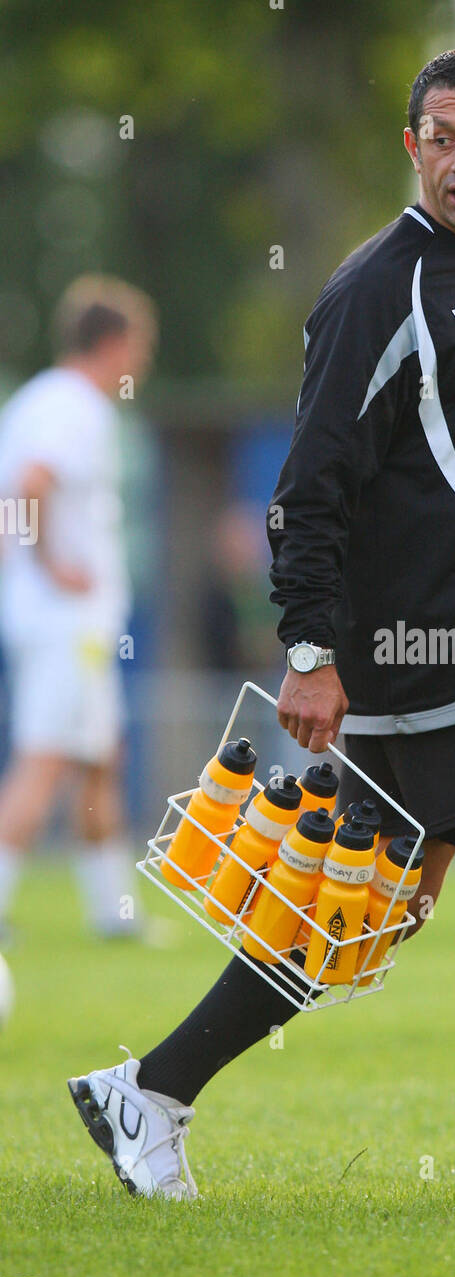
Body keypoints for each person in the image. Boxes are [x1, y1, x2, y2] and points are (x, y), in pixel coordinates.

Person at [69, 51, 455, 1203]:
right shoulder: (380, 288)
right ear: (412, 146)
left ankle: (149, 1091)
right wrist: (311, 648)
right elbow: (306, 487)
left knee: (375, 898)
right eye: (440, 137)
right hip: (427, 654)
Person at [0, 276, 157, 941]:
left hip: (69, 625)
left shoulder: (42, 397)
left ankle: (112, 914)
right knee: (41, 761)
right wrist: (53, 564)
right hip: (64, 622)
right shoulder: (76, 405)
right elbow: (31, 484)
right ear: (116, 343)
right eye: (140, 347)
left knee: (99, 761)